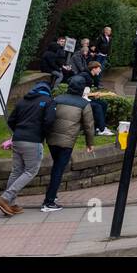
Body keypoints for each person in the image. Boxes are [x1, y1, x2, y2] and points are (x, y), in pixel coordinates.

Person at [0, 81, 54, 216]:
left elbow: (11, 120)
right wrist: (42, 134)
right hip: (33, 141)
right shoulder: (48, 101)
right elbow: (49, 121)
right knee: (30, 171)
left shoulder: (22, 101)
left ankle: (10, 203)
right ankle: (5, 198)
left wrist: (19, 131)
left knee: (16, 171)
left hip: (17, 139)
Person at [40, 77, 96, 212]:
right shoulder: (84, 104)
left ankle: (52, 194)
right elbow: (89, 126)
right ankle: (49, 202)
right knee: (58, 170)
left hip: (51, 139)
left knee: (57, 167)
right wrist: (90, 143)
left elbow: (48, 117)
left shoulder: (57, 99)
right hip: (67, 142)